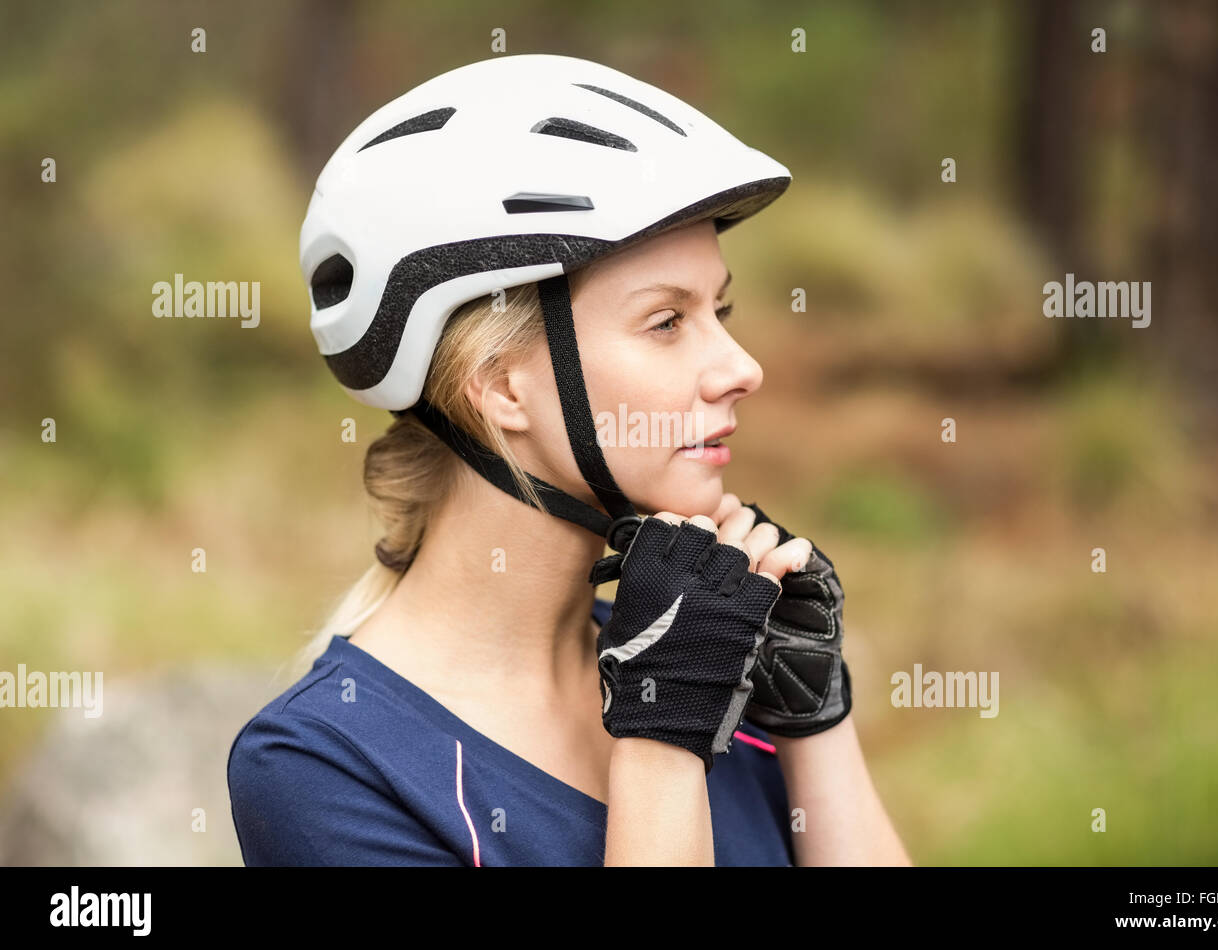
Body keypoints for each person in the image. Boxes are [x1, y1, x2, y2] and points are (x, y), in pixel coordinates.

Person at [227, 52, 910, 866]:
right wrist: (663, 734)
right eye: (667, 322)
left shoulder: (705, 647)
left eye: (720, 310)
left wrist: (812, 723)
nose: (741, 368)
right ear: (499, 386)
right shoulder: (328, 769)